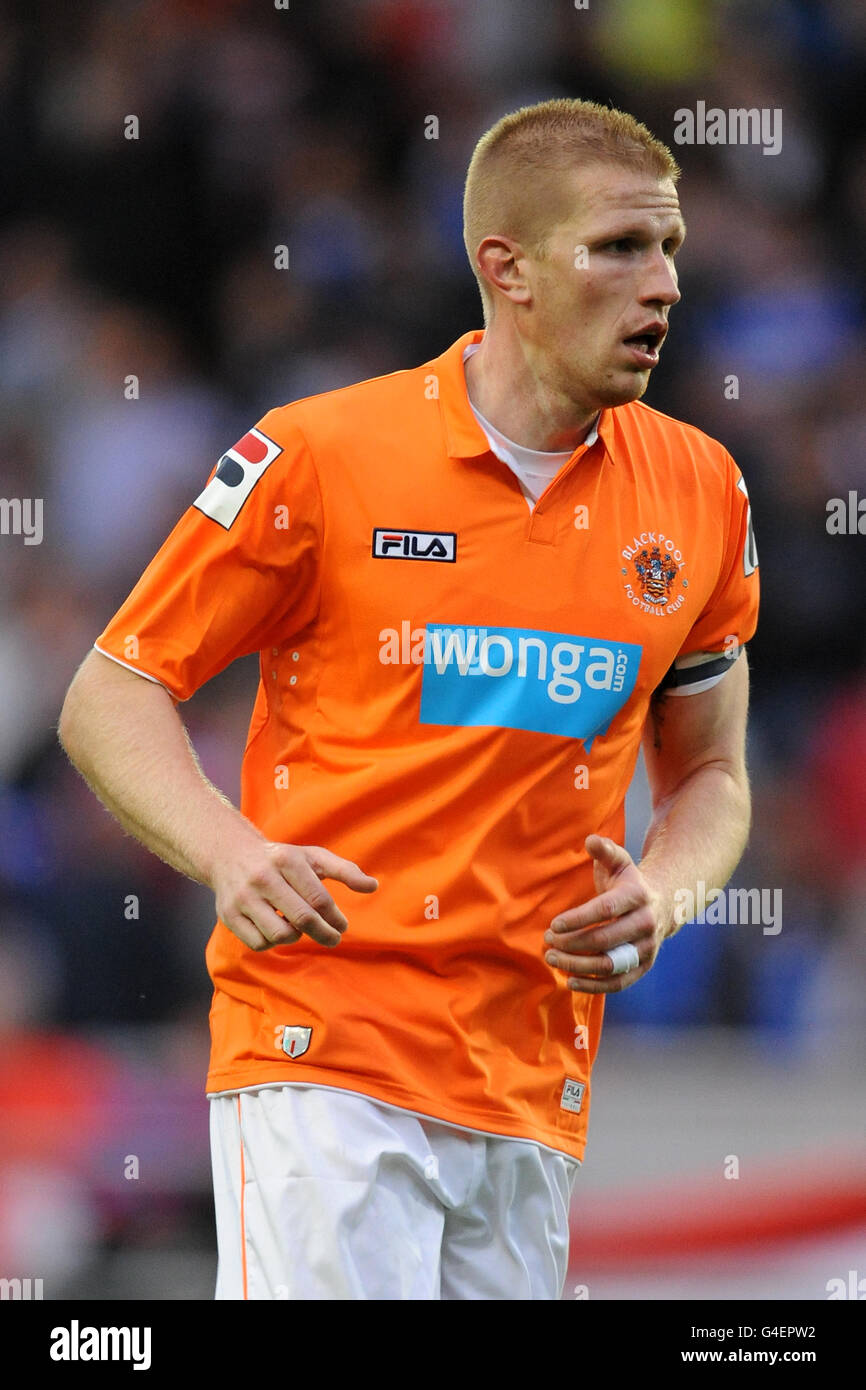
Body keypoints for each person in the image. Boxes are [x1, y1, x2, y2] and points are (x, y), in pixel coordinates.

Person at [58, 97, 759, 1301]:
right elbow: (109, 690)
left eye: (670, 249)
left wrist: (664, 891)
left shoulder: (700, 492)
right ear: (508, 269)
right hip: (325, 1049)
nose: (662, 286)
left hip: (531, 1074)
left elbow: (709, 774)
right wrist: (230, 854)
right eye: (618, 248)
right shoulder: (320, 455)